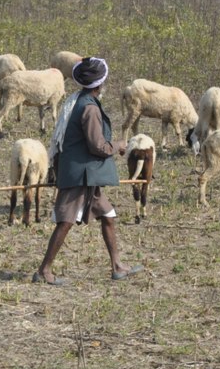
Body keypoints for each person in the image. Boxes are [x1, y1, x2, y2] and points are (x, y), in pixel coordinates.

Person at [33, 56, 143, 285]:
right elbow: (98, 146)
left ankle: (117, 266)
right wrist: (119, 146)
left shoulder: (80, 101)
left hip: (86, 174)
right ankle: (44, 270)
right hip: (80, 175)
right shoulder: (89, 108)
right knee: (66, 220)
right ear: (99, 84)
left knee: (108, 216)